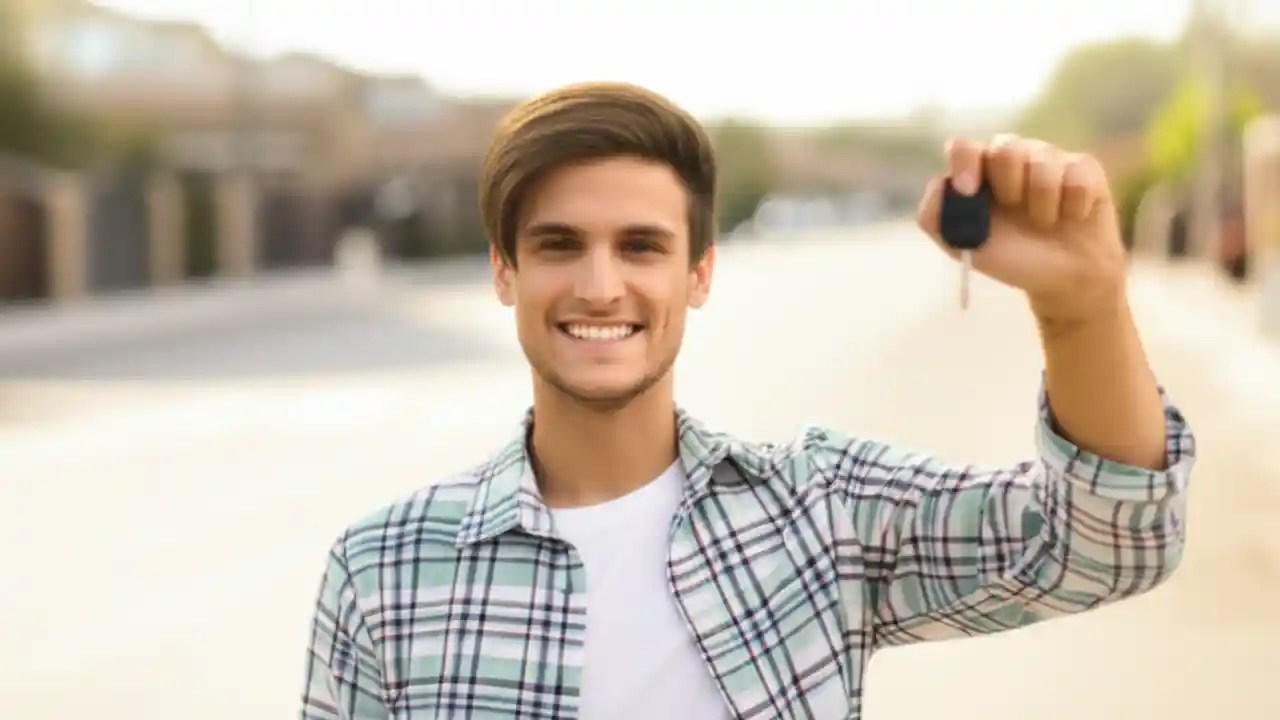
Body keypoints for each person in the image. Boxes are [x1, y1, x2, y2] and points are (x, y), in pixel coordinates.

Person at [299, 81, 1196, 720]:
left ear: (699, 274)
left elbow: (1107, 544)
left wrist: (1081, 307)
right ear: (506, 271)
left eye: (642, 247)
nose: (601, 285)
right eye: (561, 245)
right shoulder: (385, 570)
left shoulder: (823, 515)